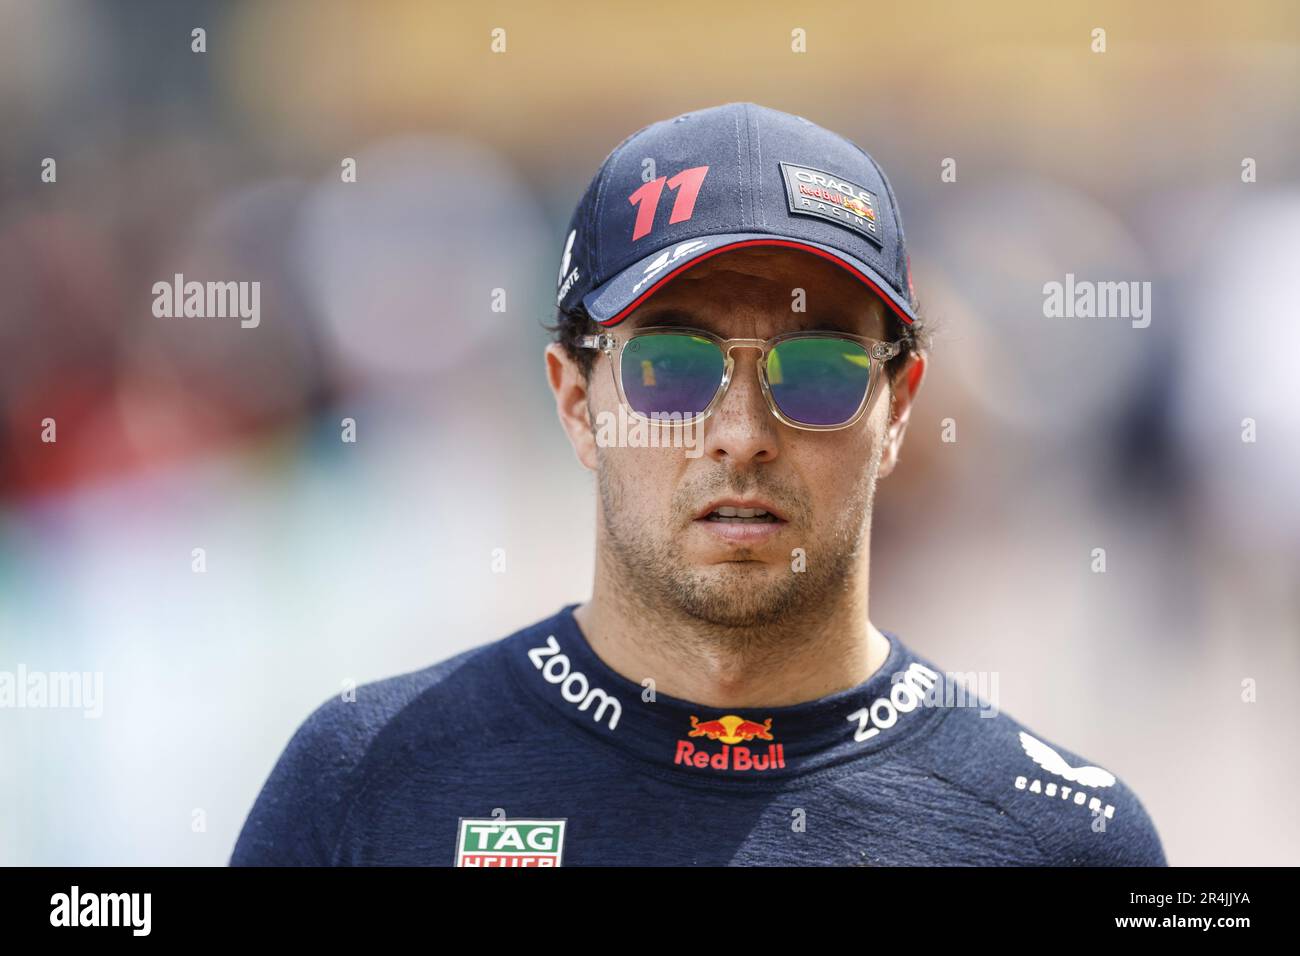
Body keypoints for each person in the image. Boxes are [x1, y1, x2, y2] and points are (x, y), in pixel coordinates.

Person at [231, 102, 1166, 866]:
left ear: (899, 409)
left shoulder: (1062, 841)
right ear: (574, 400)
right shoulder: (366, 784)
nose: (742, 435)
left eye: (819, 370)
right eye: (672, 368)